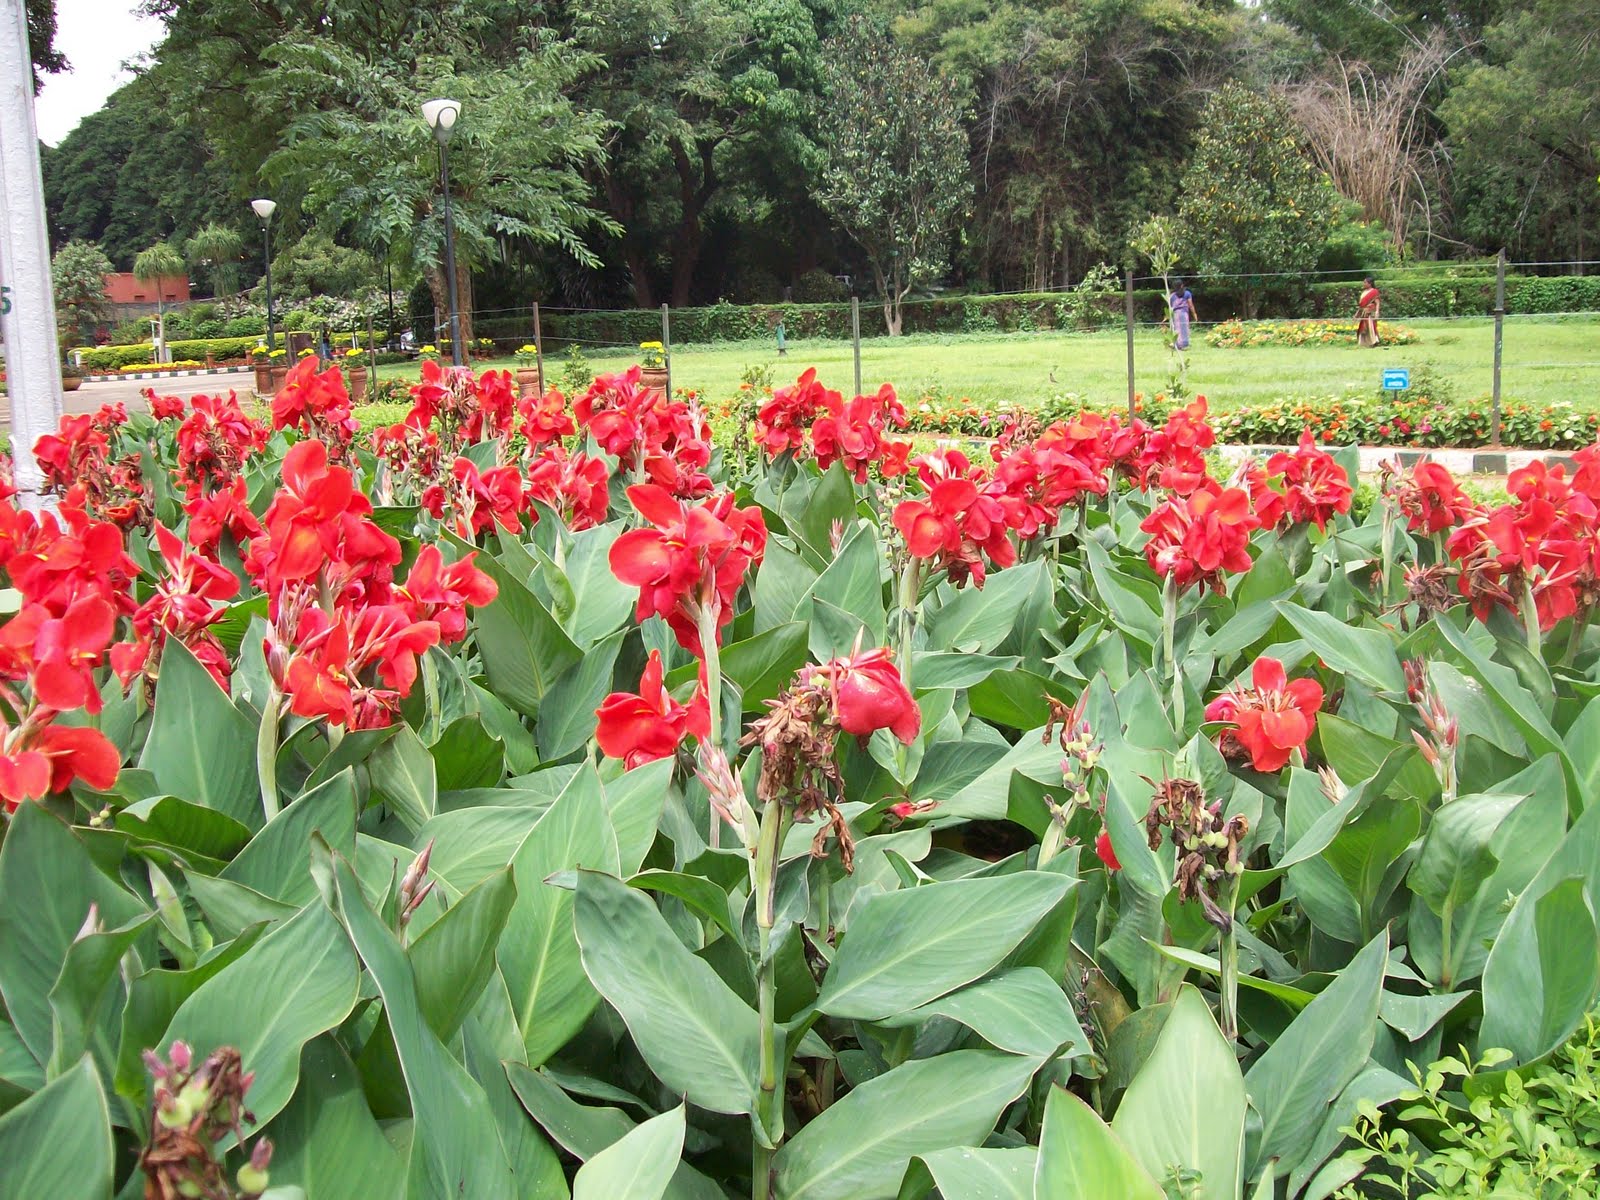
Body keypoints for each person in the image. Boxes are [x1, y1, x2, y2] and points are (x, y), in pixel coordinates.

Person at [1168, 278, 1198, 351]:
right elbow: (1191, 305)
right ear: (1182, 285)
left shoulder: (1171, 295)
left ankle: (1177, 344)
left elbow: (1170, 307)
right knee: (1184, 328)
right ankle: (1184, 344)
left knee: (1177, 329)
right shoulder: (1187, 293)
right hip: (1184, 313)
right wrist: (1194, 314)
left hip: (1175, 314)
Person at [1356, 277, 1381, 348]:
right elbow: (1361, 305)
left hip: (1370, 312)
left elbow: (1377, 302)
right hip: (1363, 312)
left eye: (1365, 282)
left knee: (1370, 326)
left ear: (1370, 284)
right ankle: (1364, 342)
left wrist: (1377, 311)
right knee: (1363, 327)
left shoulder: (1374, 291)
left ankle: (1373, 341)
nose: (1363, 284)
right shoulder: (1363, 292)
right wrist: (1357, 314)